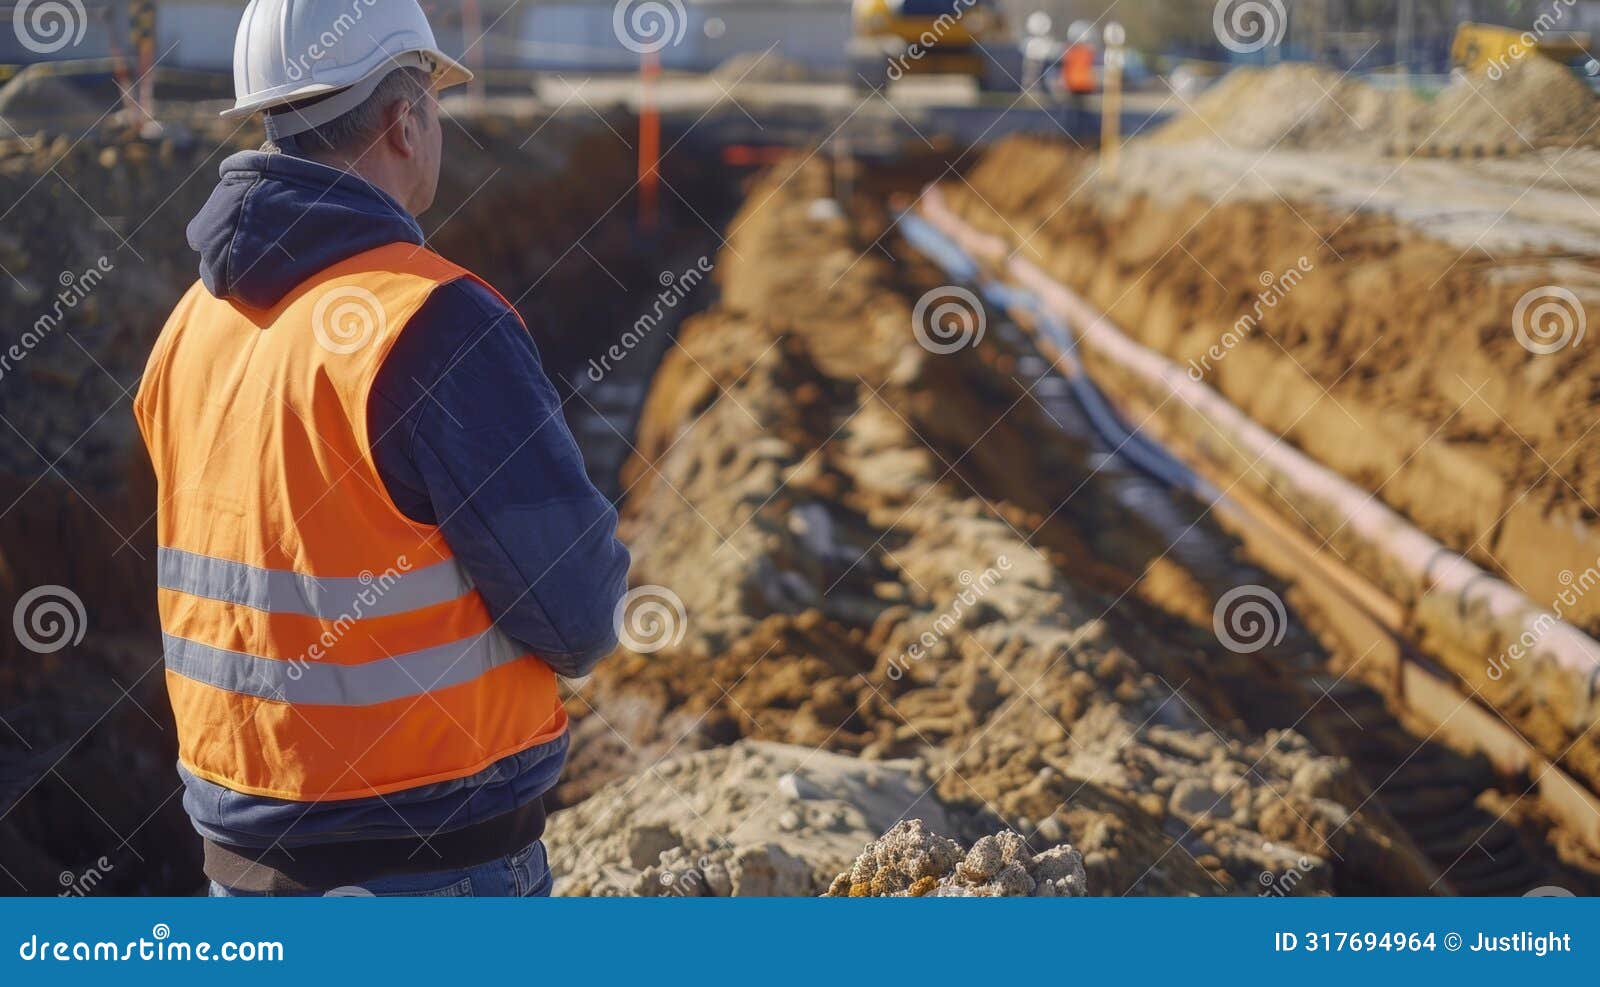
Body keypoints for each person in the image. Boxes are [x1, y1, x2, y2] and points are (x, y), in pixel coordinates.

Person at [133, 0, 629, 897]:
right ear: (405, 122)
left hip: (239, 862)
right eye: (434, 104)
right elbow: (578, 611)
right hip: (427, 868)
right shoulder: (434, 323)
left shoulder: (188, 328)